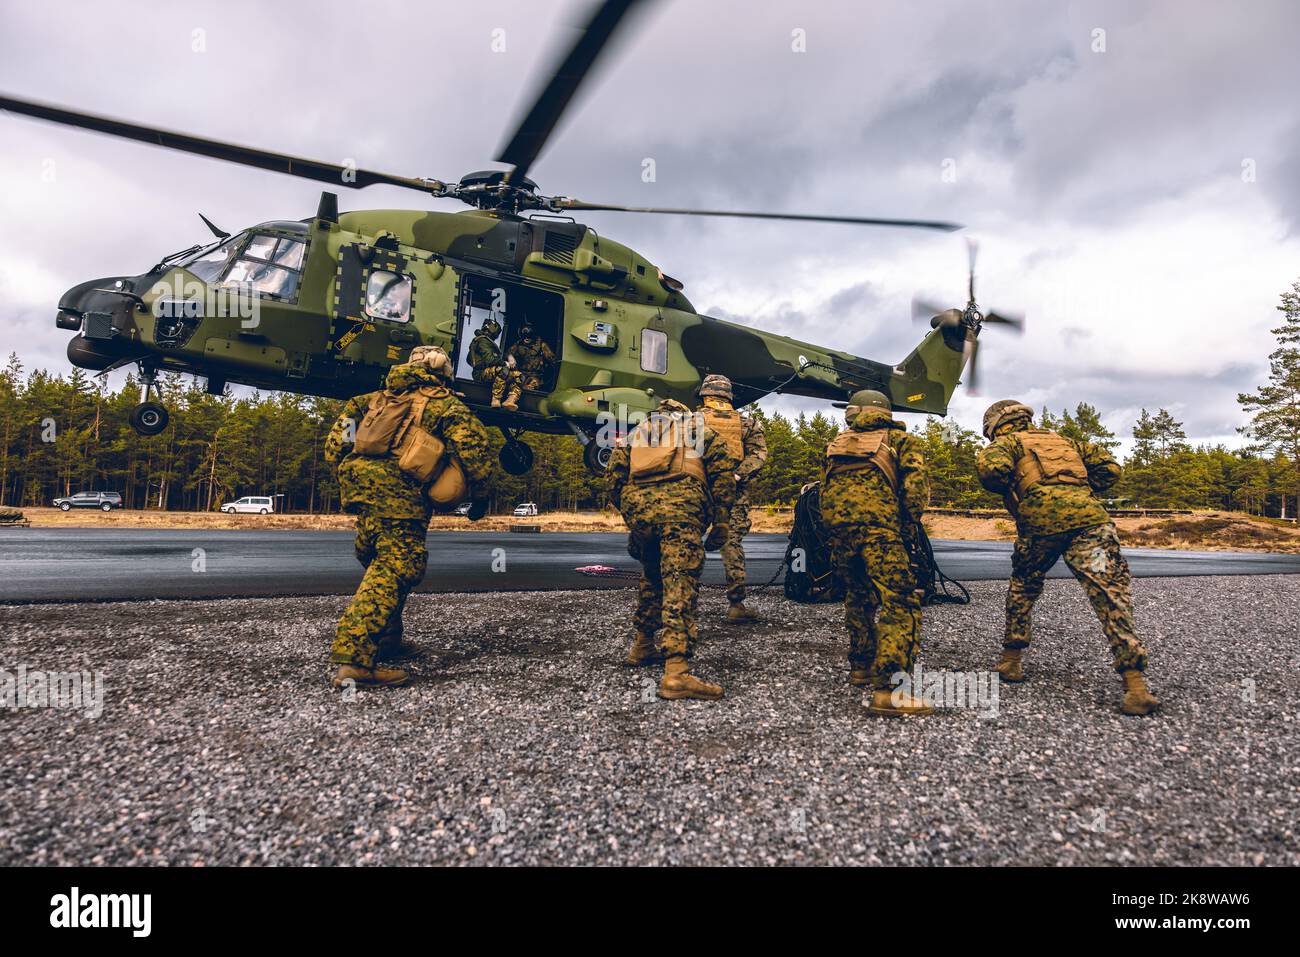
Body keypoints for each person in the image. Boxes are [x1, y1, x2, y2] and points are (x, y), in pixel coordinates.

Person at [976, 399, 1160, 716]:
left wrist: (1026, 489)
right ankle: (1136, 686)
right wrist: (1074, 489)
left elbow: (992, 471)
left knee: (1023, 587)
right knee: (1110, 594)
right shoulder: (1067, 442)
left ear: (995, 426)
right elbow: (1110, 470)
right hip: (1092, 525)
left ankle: (1011, 661)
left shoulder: (1006, 443)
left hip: (1041, 529)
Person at [324, 345, 493, 689]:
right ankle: (354, 661)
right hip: (402, 499)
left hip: (361, 494)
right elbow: (476, 456)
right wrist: (480, 498)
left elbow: (333, 448)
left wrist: (362, 480)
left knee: (378, 560)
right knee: (395, 568)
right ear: (444, 373)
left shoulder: (367, 401)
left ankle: (387, 640)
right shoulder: (446, 405)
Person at [606, 398, 735, 700]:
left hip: (641, 513)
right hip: (681, 513)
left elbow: (612, 478)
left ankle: (642, 645)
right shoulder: (696, 430)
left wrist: (633, 517)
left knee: (652, 575)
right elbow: (723, 474)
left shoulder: (637, 434)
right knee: (679, 582)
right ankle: (676, 672)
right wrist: (722, 521)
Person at [821, 389, 933, 717]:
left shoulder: (837, 444)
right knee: (900, 602)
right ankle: (890, 690)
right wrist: (908, 528)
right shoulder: (901, 442)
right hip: (880, 531)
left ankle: (861, 666)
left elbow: (825, 488)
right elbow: (915, 491)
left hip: (839, 532)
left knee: (858, 596)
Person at [695, 374, 768, 623]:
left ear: (705, 394)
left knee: (687, 543)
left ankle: (683, 600)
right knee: (732, 543)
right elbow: (758, 456)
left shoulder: (690, 420)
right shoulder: (746, 423)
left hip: (696, 491)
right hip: (734, 494)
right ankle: (736, 604)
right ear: (729, 396)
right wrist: (736, 476)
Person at [468, 316, 523, 411]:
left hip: (487, 372)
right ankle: (496, 400)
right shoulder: (482, 341)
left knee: (518, 376)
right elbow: (490, 359)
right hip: (480, 373)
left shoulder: (485, 341)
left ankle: (510, 401)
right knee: (503, 370)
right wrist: (505, 363)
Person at [506, 323, 556, 393]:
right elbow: (508, 353)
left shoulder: (542, 345)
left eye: (529, 336)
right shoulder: (518, 344)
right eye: (524, 336)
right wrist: (510, 357)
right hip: (520, 375)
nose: (526, 338)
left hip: (535, 376)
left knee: (530, 387)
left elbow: (553, 360)